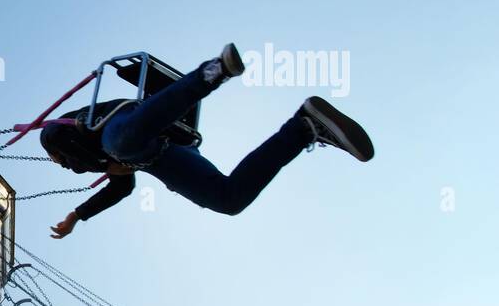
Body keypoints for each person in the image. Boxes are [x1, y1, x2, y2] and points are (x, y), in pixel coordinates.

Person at [41, 43, 375, 239]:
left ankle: (212, 72)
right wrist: (77, 216)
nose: (65, 166)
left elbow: (58, 138)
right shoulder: (100, 161)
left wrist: (82, 161)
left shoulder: (61, 135)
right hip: (161, 155)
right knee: (227, 200)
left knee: (122, 145)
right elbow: (121, 188)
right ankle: (304, 127)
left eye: (62, 163)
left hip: (121, 126)